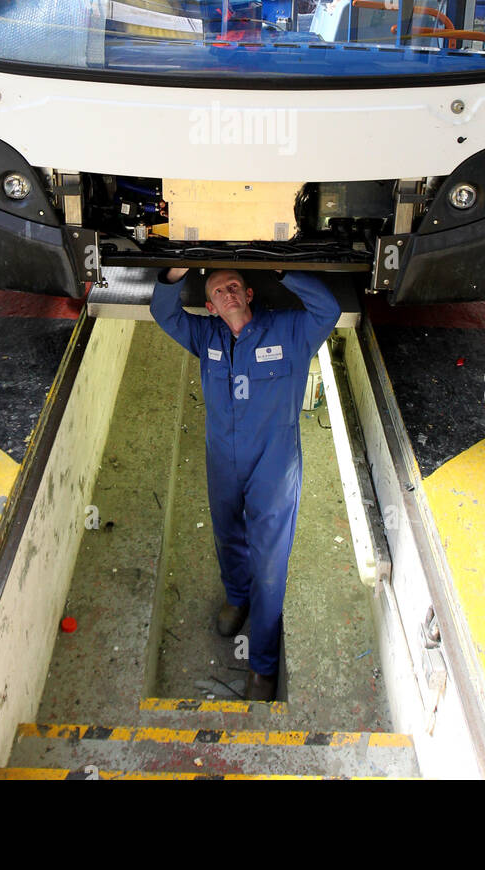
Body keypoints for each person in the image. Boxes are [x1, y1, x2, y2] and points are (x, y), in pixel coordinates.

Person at [150, 265, 341, 701]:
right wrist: (174, 271)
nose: (228, 293)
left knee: (270, 566)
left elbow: (327, 309)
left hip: (273, 466)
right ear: (211, 306)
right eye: (218, 291)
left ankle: (263, 666)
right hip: (223, 460)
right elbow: (164, 314)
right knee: (227, 535)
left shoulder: (292, 332)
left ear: (249, 293)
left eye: (234, 286)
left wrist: (284, 267)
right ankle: (237, 597)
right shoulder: (206, 337)